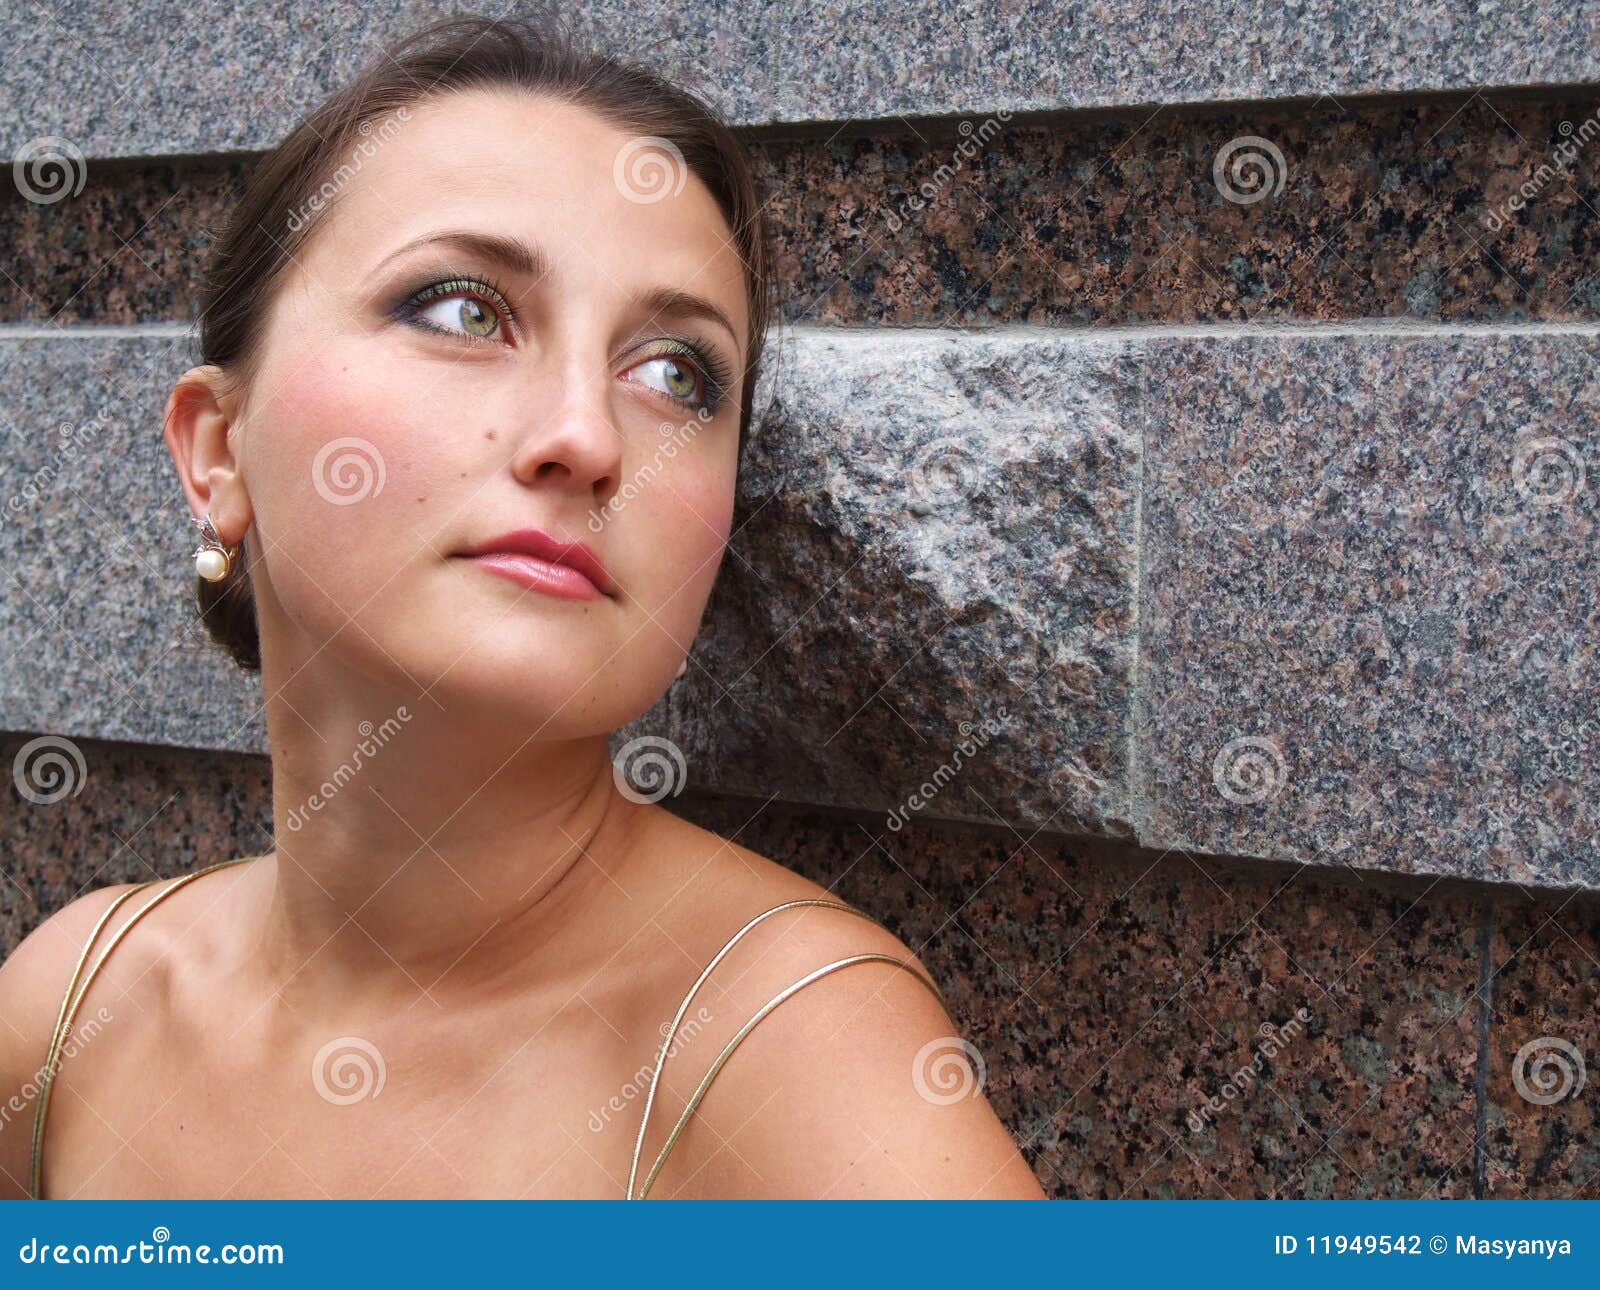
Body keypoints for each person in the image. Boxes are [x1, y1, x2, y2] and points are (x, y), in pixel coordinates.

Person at [0, 12, 1045, 1201]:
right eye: (463, 310)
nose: (588, 440)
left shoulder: (791, 1060)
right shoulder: (70, 1009)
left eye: (675, 375)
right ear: (220, 451)